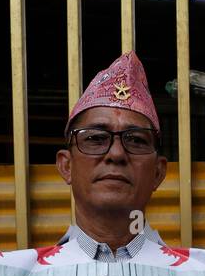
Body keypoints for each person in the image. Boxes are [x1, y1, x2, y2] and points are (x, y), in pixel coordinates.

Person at [54, 51, 168, 262]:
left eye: (135, 140)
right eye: (97, 138)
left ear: (158, 172)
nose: (116, 154)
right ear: (66, 166)